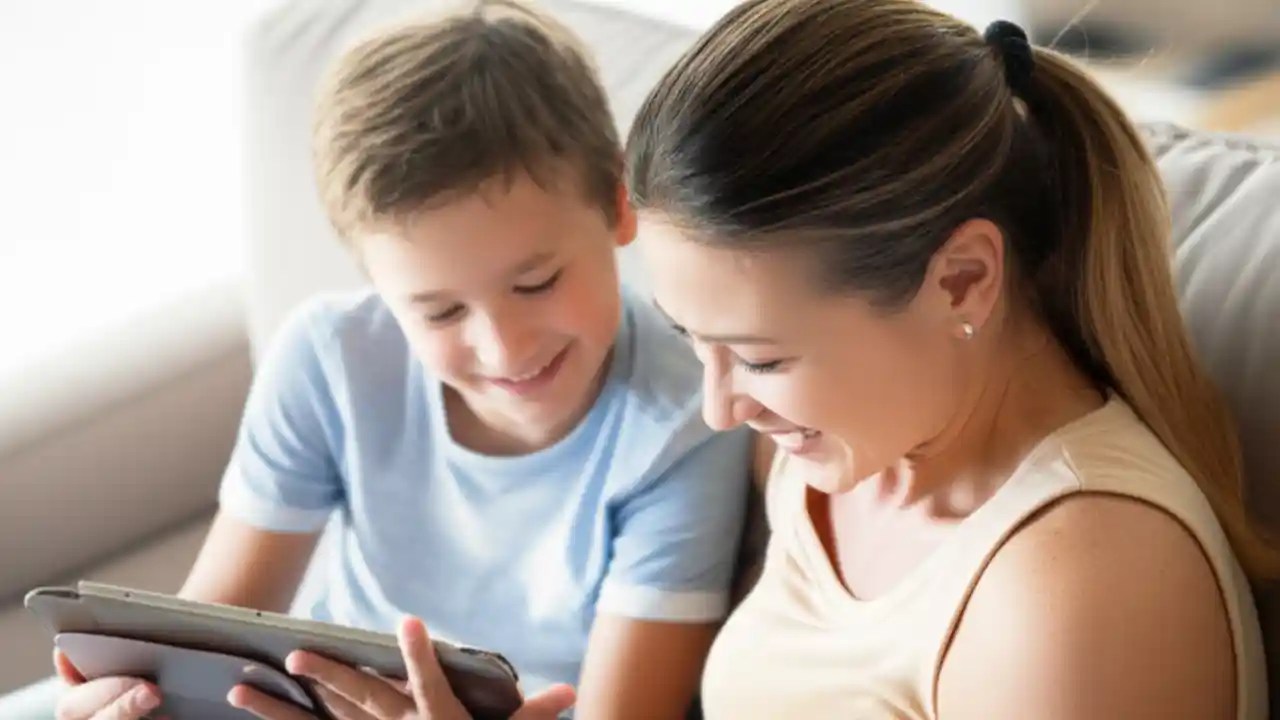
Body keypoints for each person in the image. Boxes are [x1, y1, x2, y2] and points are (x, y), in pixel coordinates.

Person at [51, 2, 752, 719]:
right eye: (440, 312)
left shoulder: (684, 421)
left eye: (537, 283)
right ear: (376, 286)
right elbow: (202, 638)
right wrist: (138, 699)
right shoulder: (330, 359)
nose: (503, 347)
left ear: (616, 201)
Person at [624, 0, 1273, 718]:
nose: (719, 410)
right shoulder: (844, 455)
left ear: (962, 281)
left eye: (763, 360)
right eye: (690, 337)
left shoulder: (1077, 587)